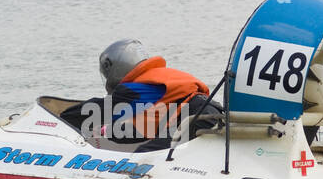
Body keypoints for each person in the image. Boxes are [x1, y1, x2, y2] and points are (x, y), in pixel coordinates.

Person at [63, 39, 213, 150]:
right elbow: (143, 129)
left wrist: (60, 117)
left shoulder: (133, 89)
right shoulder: (158, 77)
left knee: (144, 157)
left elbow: (98, 110)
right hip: (210, 115)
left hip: (195, 119)